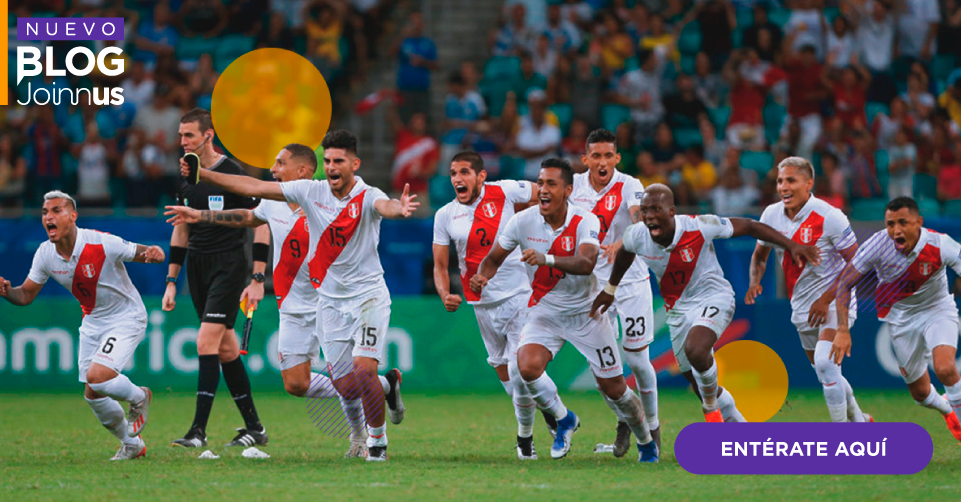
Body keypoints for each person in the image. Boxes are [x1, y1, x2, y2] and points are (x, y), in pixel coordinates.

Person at [181, 130, 417, 462]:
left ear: (353, 164)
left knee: (362, 373)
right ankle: (386, 386)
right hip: (315, 303)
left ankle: (372, 442)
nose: (273, 169)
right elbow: (252, 194)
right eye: (329, 160)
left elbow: (385, 205)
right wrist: (201, 189)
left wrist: (400, 207)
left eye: (338, 161)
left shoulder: (363, 195)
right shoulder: (305, 194)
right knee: (331, 385)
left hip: (358, 297)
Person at [470, 158, 659, 463]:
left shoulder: (586, 220)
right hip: (545, 313)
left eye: (551, 184)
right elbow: (492, 258)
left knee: (615, 389)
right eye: (540, 183)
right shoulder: (523, 221)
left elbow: (586, 264)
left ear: (568, 190)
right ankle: (564, 418)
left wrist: (546, 259)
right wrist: (482, 276)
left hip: (587, 314)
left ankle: (646, 440)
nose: (542, 190)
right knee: (526, 367)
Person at [592, 184, 819, 422]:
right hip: (678, 309)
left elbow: (751, 226)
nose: (648, 216)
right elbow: (626, 252)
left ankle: (710, 409)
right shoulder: (636, 234)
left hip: (714, 296)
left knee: (697, 350)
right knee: (696, 380)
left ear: (671, 211)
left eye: (656, 209)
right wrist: (610, 288)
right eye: (645, 210)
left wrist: (792, 245)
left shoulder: (699, 226)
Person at [0, 191, 166, 460]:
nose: (48, 217)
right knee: (93, 394)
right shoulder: (45, 254)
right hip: (93, 321)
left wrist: (155, 253)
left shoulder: (101, 243)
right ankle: (133, 445)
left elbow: (143, 252)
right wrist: (7, 291)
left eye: (55, 211)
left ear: (73, 215)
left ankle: (139, 396)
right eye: (44, 212)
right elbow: (26, 295)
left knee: (98, 376)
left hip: (126, 316)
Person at [432, 151, 559, 459]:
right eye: (453, 173)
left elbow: (544, 194)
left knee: (519, 371)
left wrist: (542, 225)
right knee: (508, 379)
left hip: (518, 296)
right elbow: (439, 264)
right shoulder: (445, 215)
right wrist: (444, 292)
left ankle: (539, 430)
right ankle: (544, 416)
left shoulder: (505, 190)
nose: (458, 179)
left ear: (481, 176)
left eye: (464, 172)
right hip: (481, 304)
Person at [164, 108, 271, 449]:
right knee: (226, 348)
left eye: (189, 136)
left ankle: (197, 431)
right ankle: (255, 428)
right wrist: (171, 280)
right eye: (181, 136)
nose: (183, 142)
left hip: (228, 265)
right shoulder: (184, 177)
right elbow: (181, 227)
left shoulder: (232, 174)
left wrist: (257, 276)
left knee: (205, 343)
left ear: (208, 135)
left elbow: (262, 220)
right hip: (198, 266)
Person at [746, 157, 871, 423]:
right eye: (780, 181)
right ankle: (860, 422)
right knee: (825, 372)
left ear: (809, 183)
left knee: (826, 366)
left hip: (835, 301)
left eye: (791, 180)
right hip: (802, 307)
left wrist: (826, 299)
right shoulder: (770, 214)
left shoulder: (829, 216)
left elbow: (858, 264)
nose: (783, 187)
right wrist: (755, 280)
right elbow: (759, 254)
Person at [831, 197, 961, 443]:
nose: (896, 230)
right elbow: (845, 282)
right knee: (920, 394)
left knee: (945, 368)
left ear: (918, 222)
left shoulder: (940, 244)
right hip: (901, 319)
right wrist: (842, 329)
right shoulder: (878, 244)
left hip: (937, 310)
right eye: (890, 224)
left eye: (903, 223)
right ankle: (947, 410)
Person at [568, 129, 660, 456]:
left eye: (609, 155)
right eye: (596, 156)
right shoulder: (574, 187)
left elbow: (641, 220)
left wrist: (624, 241)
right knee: (603, 373)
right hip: (592, 287)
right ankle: (626, 421)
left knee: (636, 359)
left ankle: (653, 430)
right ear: (586, 159)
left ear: (617, 158)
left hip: (630, 282)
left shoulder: (630, 185)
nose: (603, 162)